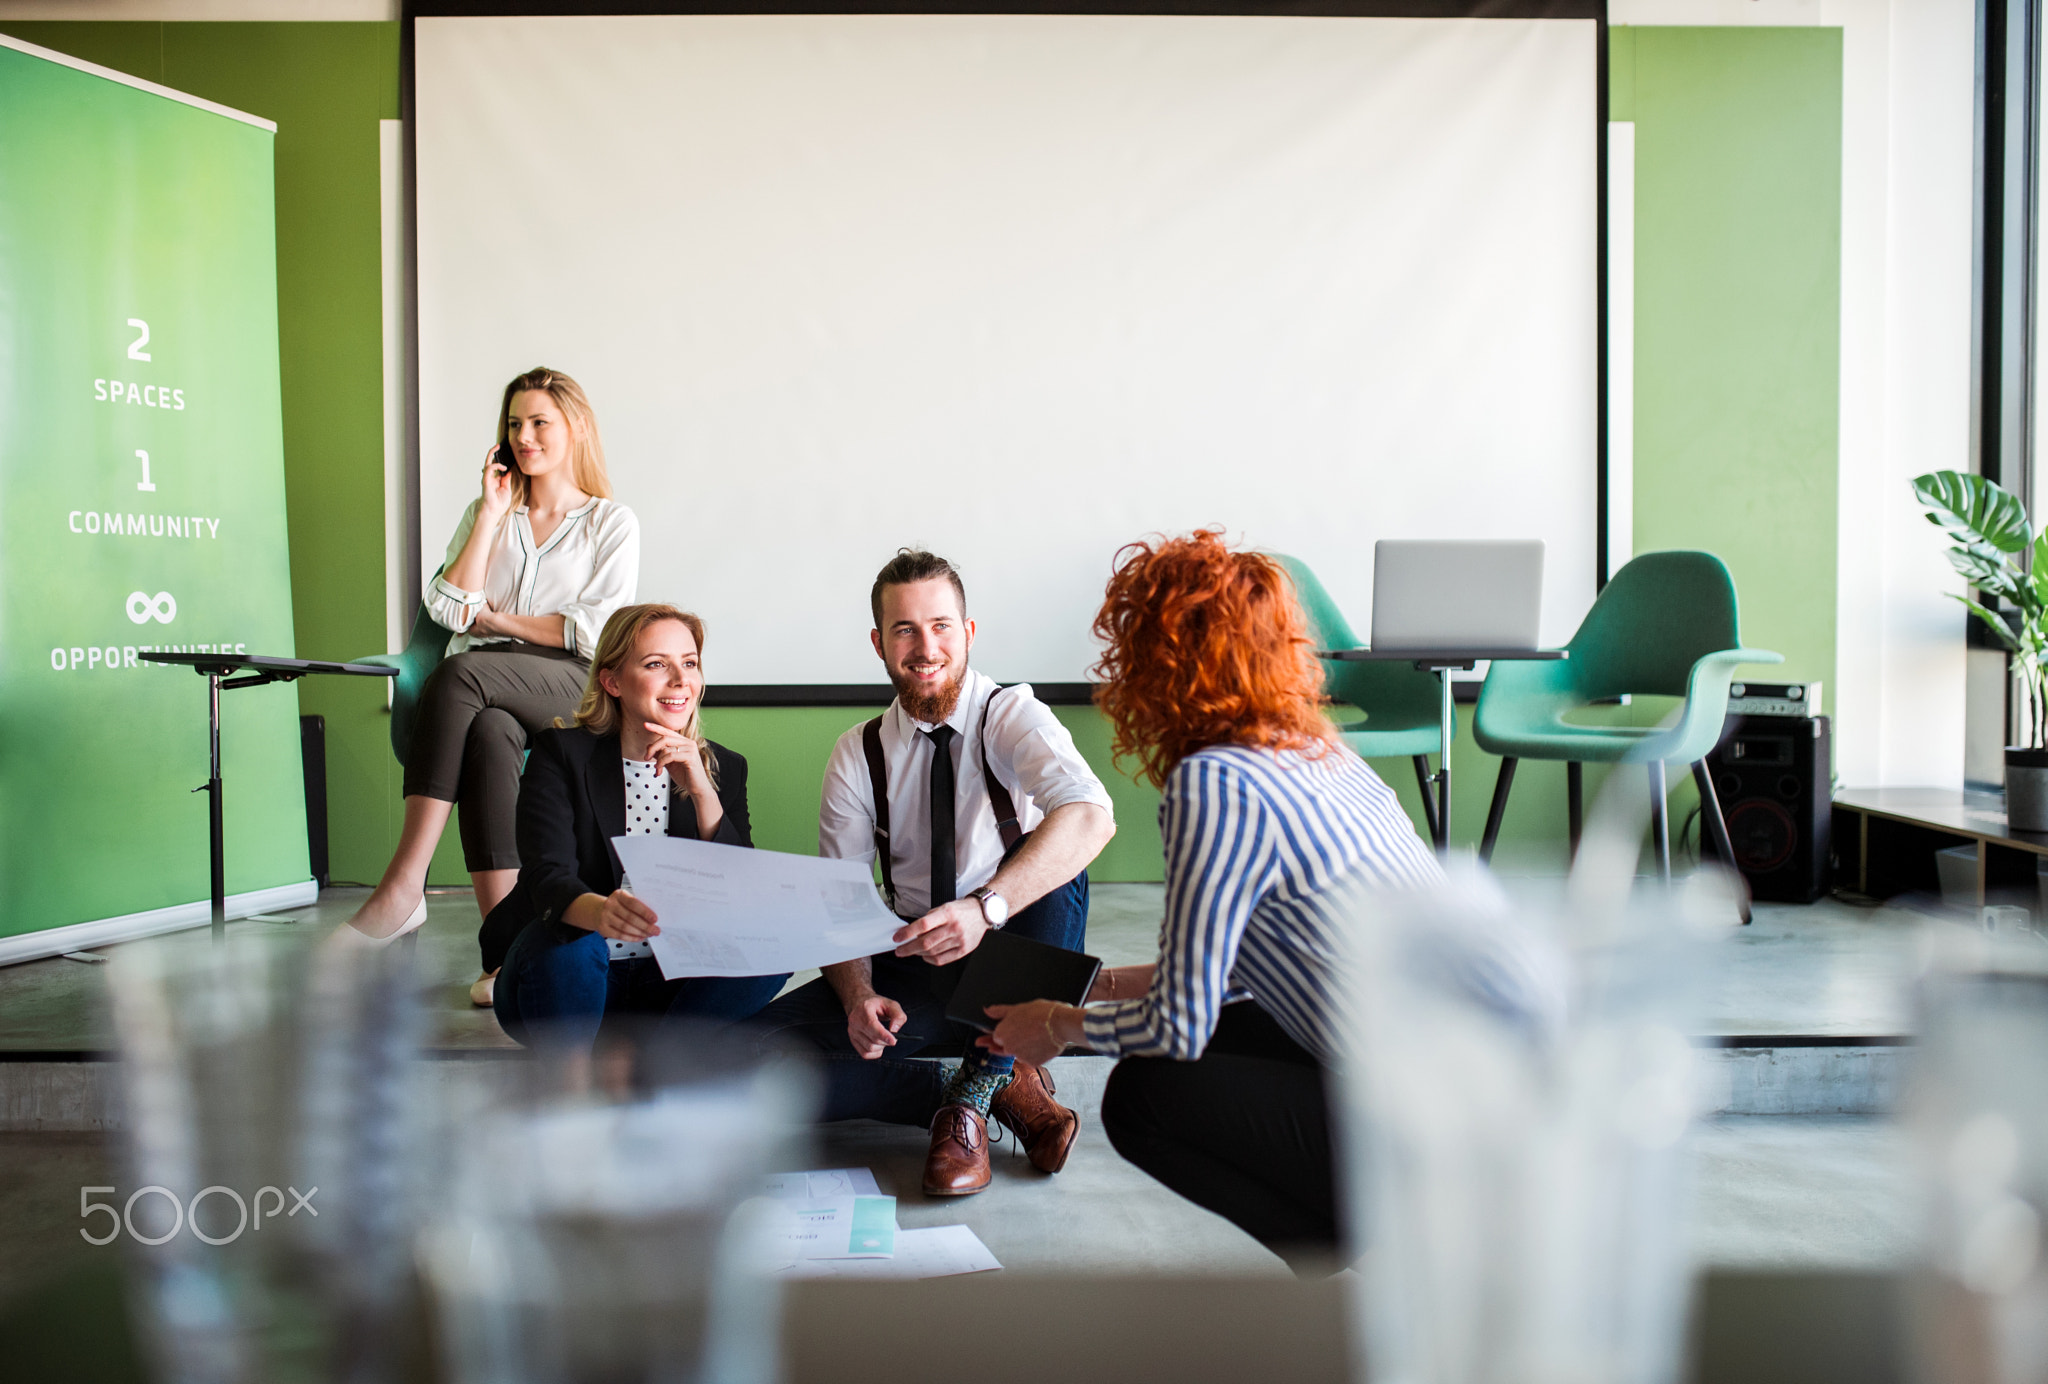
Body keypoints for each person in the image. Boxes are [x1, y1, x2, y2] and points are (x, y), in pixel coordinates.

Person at [978, 530, 1441, 1267]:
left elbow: (1181, 1026)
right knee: (1224, 1032)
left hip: (1427, 1120)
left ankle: (1348, 1264)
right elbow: (1243, 967)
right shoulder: (1317, 748)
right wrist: (1093, 985)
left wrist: (1059, 1026)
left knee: (1143, 1097)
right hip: (1479, 1084)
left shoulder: (1215, 782)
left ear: (1159, 666)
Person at [750, 550, 1117, 1196]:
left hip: (1015, 956)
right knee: (746, 1061)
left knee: (1058, 862)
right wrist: (858, 995)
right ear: (879, 644)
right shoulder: (857, 752)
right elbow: (840, 902)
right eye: (905, 630)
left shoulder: (1009, 714)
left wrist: (985, 910)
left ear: (968, 633)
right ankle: (968, 1086)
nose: (926, 647)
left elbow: (1092, 816)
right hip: (916, 964)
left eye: (942, 626)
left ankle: (977, 1088)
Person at [338, 368, 638, 1002]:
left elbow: (593, 631)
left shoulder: (610, 523)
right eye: (514, 424)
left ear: (575, 427)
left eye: (539, 423)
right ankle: (505, 953)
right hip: (485, 691)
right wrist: (491, 514)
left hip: (569, 683)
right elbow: (448, 608)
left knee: (462, 670)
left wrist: (496, 619)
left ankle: (403, 884)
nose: (524, 437)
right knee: (491, 731)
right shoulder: (489, 512)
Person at [485, 603, 789, 1053]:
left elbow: (739, 897)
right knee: (576, 946)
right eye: (656, 665)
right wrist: (601, 913)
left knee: (776, 940)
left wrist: (703, 793)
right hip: (569, 975)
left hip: (670, 982)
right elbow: (545, 876)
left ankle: (660, 1057)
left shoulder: (725, 766)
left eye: (689, 664)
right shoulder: (561, 754)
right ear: (612, 682)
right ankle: (571, 1086)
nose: (681, 680)